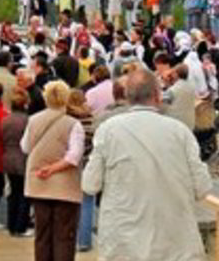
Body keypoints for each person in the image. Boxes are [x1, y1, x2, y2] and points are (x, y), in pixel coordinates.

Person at [83, 69, 211, 261]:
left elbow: (89, 184)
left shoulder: (108, 130)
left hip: (123, 243)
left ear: (127, 97)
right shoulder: (180, 132)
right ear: (158, 96)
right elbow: (203, 187)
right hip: (175, 243)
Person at [20, 80, 83, 261]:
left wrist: (45, 167)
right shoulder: (73, 124)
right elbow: (74, 156)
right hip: (65, 187)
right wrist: (53, 168)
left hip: (38, 183)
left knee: (42, 234)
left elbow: (25, 147)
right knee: (64, 235)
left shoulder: (33, 120)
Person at [66, 89, 96, 253]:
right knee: (87, 202)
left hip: (70, 165)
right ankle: (84, 240)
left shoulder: (68, 121)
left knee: (69, 203)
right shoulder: (91, 119)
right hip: (88, 163)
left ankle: (70, 237)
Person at [0, 88, 31, 237]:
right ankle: (21, 226)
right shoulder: (27, 121)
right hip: (22, 157)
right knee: (24, 193)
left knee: (13, 192)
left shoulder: (5, 120)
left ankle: (11, 224)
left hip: (8, 156)